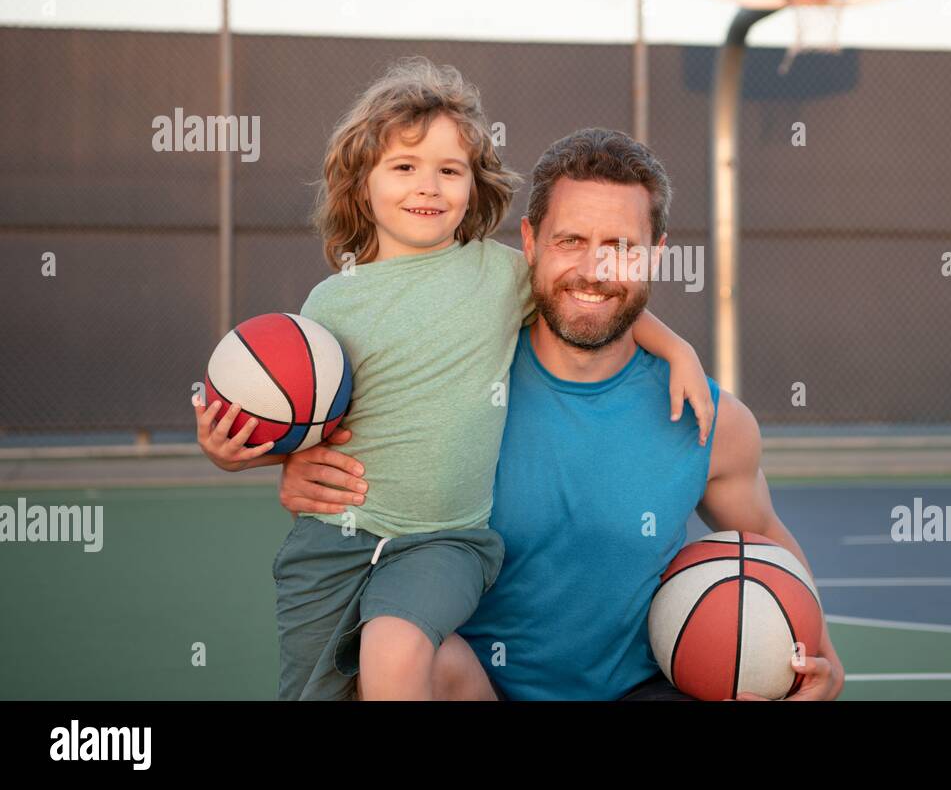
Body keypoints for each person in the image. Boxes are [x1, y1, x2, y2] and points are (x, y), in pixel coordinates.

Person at [194, 61, 713, 700]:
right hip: (335, 538)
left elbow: (595, 291)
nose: (428, 186)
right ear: (362, 183)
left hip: (445, 542)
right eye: (405, 166)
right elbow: (299, 419)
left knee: (394, 649)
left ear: (475, 184)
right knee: (315, 692)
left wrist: (679, 347)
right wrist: (236, 456)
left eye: (450, 170)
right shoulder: (329, 305)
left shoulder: (498, 277)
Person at [279, 127, 845, 700]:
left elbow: (765, 537)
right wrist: (289, 466)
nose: (594, 269)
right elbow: (314, 422)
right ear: (529, 243)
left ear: (657, 254)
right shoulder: (460, 373)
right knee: (408, 661)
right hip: (473, 688)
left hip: (634, 690)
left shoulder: (710, 419)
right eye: (570, 240)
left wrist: (822, 655)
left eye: (622, 247)